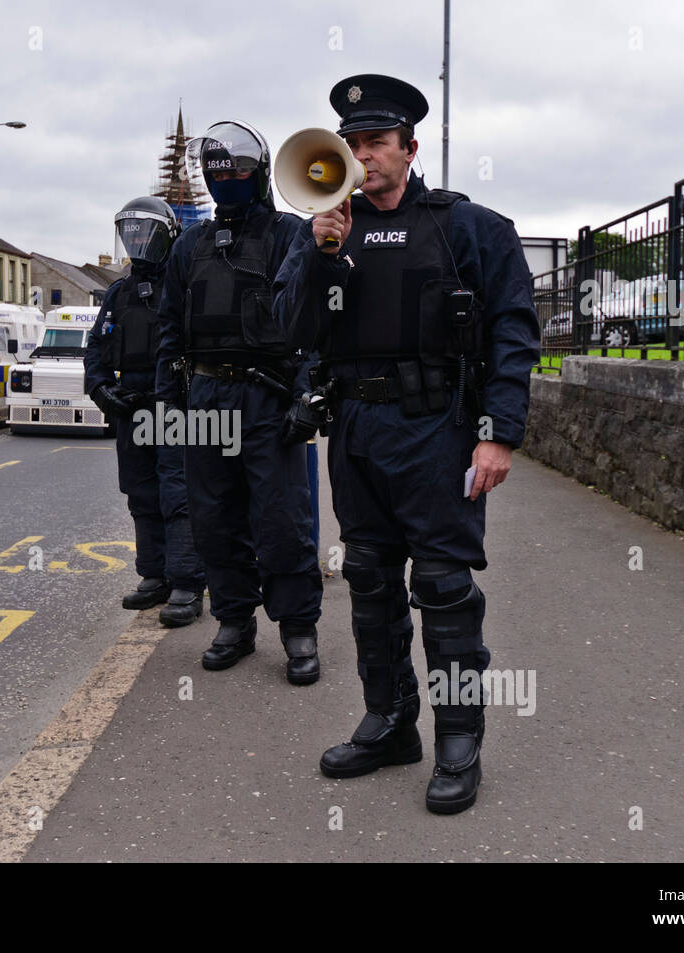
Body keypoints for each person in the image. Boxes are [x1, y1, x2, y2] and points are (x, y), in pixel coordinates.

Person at [278, 75, 540, 812]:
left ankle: (460, 735)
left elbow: (514, 333)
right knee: (368, 577)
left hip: (438, 433)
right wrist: (323, 255)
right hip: (357, 432)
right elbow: (291, 332)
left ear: (408, 148)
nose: (364, 157)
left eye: (377, 143)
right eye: (351, 144)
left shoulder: (468, 227)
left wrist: (500, 434)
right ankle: (390, 722)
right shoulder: (323, 228)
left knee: (445, 589)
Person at [156, 120, 324, 684]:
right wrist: (166, 404)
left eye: (236, 170)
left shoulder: (288, 234)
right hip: (205, 398)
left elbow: (314, 321)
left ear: (258, 174)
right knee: (214, 517)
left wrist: (308, 393)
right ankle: (234, 620)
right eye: (216, 171)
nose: (226, 178)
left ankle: (298, 627)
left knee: (281, 520)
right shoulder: (190, 244)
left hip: (267, 395)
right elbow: (167, 329)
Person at [86, 197, 206, 627]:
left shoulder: (185, 284)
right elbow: (95, 351)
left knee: (179, 494)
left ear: (168, 234)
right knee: (141, 494)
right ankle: (153, 577)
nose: (137, 241)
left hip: (174, 399)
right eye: (130, 232)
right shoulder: (119, 293)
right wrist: (102, 391)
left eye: (145, 232)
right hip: (131, 402)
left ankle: (187, 585)